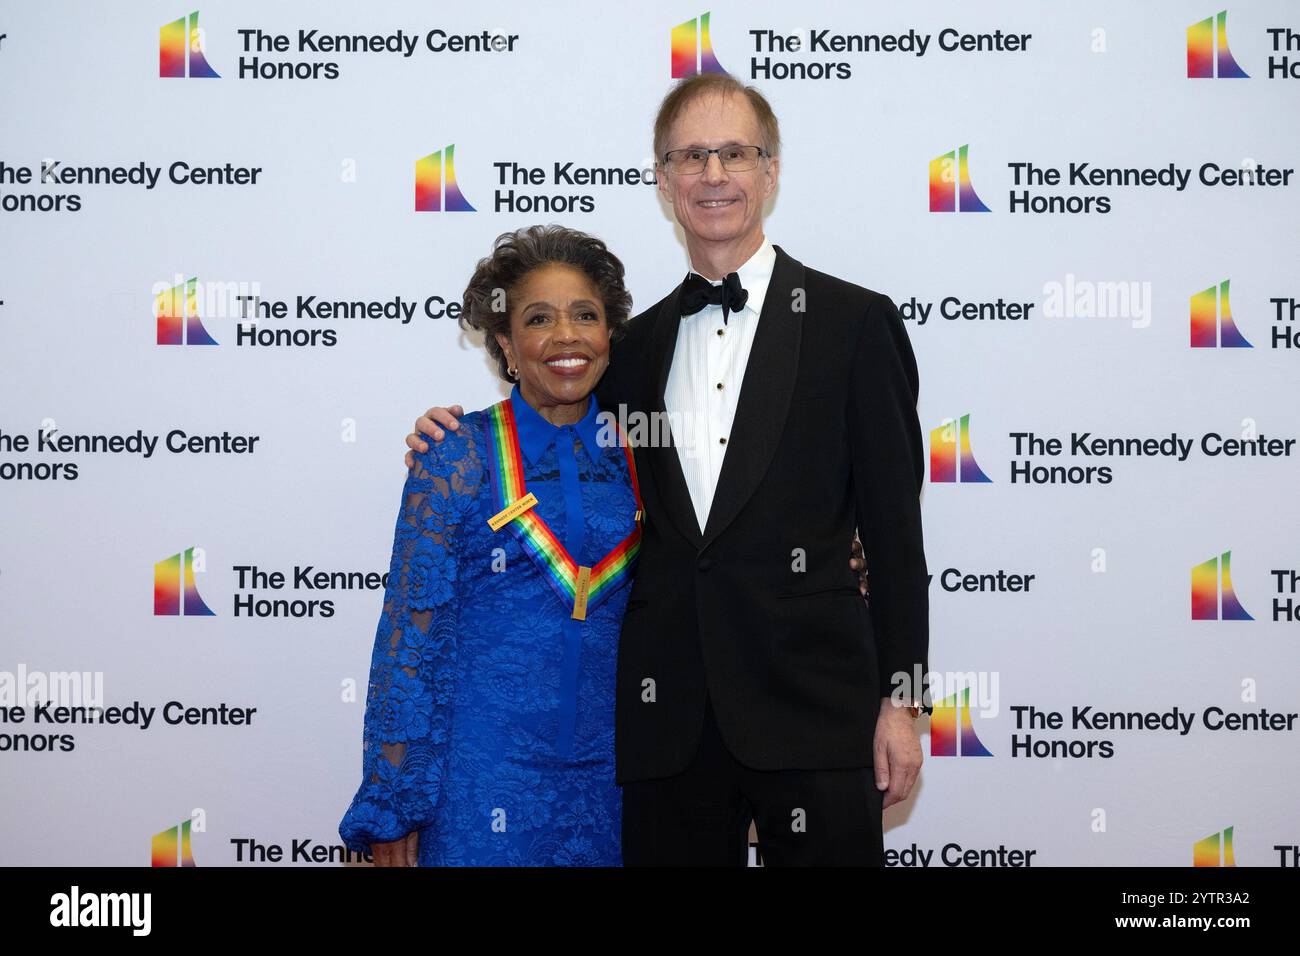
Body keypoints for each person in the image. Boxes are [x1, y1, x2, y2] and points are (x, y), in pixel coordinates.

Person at [407, 74, 930, 866]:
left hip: (817, 713)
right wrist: (449, 436)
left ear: (772, 170)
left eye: (734, 153)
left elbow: (897, 539)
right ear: (662, 181)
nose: (713, 175)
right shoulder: (633, 351)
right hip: (666, 728)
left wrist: (904, 704)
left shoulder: (854, 324)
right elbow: (553, 447)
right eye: (690, 156)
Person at [339, 225, 640, 866]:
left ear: (609, 332)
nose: (566, 336)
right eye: (539, 319)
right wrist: (395, 802)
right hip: (480, 787)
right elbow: (409, 639)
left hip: (620, 791)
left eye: (585, 315)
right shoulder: (455, 456)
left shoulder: (646, 457)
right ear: (504, 343)